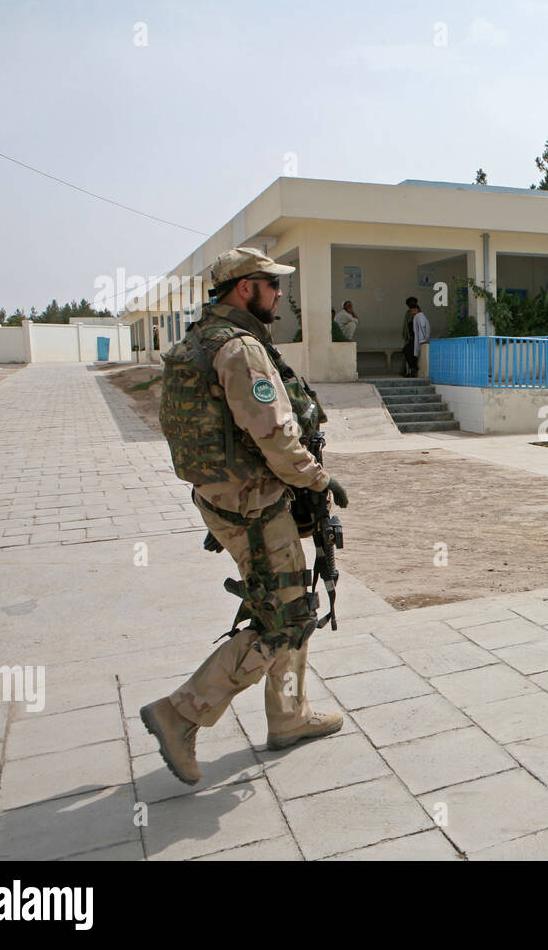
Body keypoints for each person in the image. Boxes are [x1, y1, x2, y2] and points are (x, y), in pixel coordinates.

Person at [140, 246, 349, 785]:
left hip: (225, 498)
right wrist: (319, 479)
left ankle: (290, 716)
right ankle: (180, 713)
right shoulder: (239, 349)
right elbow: (274, 434)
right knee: (285, 621)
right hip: (253, 504)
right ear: (243, 288)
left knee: (288, 602)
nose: (280, 293)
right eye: (270, 284)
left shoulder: (198, 339)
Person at [412, 299, 431, 378]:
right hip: (421, 340)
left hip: (422, 341)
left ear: (416, 310)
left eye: (412, 311)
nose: (411, 313)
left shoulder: (419, 316)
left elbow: (423, 328)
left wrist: (423, 340)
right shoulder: (419, 316)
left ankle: (416, 371)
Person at [401, 297, 419, 376]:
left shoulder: (418, 312)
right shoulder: (408, 313)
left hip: (416, 337)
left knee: (408, 351)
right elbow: (406, 326)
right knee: (408, 352)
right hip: (410, 337)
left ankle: (413, 370)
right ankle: (409, 371)